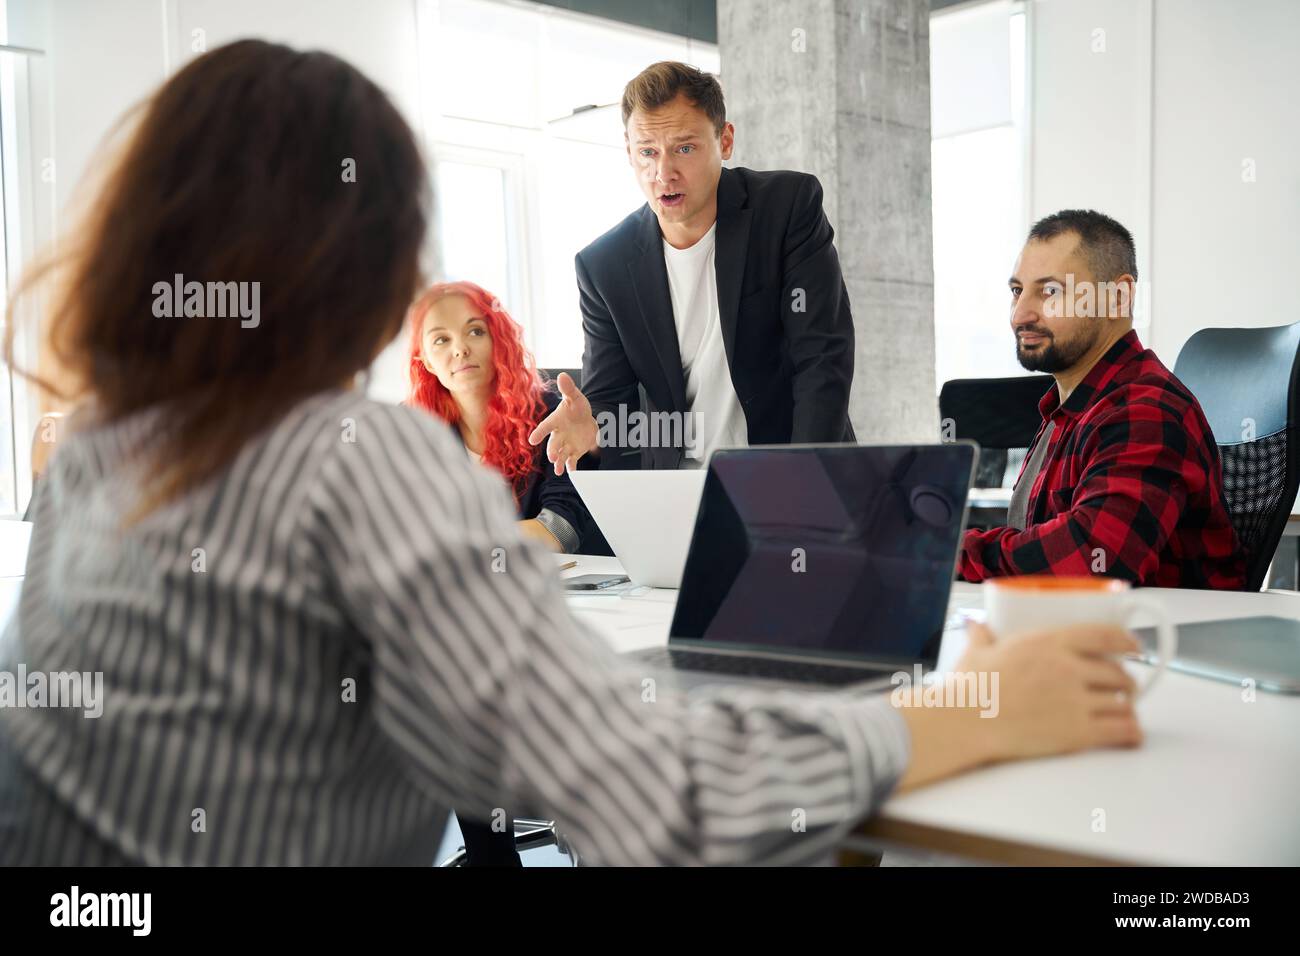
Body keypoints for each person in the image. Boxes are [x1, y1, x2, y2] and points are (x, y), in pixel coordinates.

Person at [0, 41, 1141, 867]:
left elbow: (815, 370)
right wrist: (977, 707)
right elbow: (657, 800)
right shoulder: (355, 461)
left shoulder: (95, 448)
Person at [530, 61, 855, 474]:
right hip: (681, 493)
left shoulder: (786, 207)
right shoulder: (604, 266)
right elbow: (614, 405)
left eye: (684, 148)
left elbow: (822, 357)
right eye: (647, 152)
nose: (663, 173)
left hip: (794, 475)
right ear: (629, 152)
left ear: (725, 140)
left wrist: (801, 478)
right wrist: (596, 433)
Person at [960, 210, 1245, 589]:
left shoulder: (1146, 409)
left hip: (1164, 642)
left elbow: (1095, 558)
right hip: (1086, 634)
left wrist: (951, 551)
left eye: (1050, 291)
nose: (1020, 315)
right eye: (1017, 291)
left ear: (1117, 297)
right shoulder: (1069, 411)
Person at [406, 280, 592, 555]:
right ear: (427, 361)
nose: (460, 349)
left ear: (498, 342)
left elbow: (560, 530)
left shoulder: (552, 417)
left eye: (476, 331)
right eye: (441, 339)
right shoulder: (412, 429)